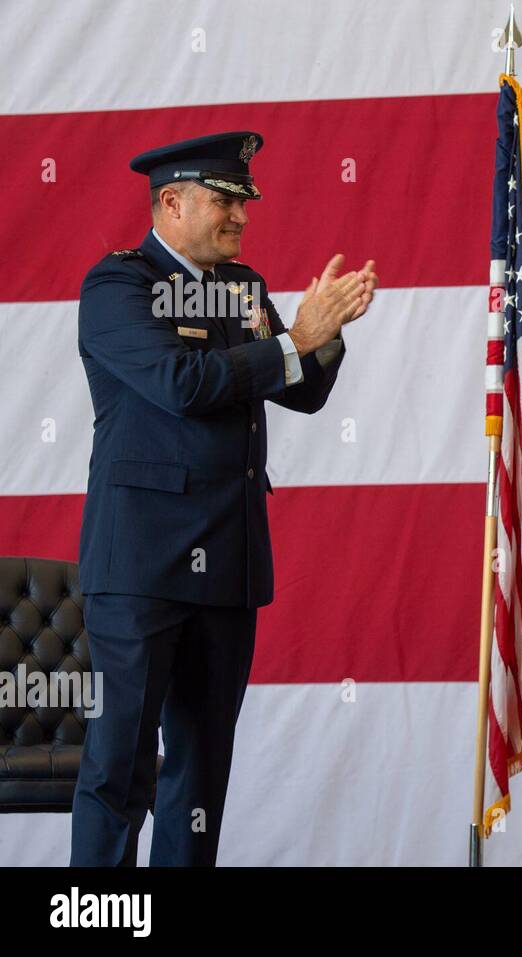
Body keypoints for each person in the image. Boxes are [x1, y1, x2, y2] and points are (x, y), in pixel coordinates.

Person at [70, 131, 378, 866]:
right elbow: (181, 386)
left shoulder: (241, 287)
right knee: (120, 769)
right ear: (171, 202)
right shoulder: (117, 286)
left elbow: (300, 391)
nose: (240, 215)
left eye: (244, 201)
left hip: (228, 563)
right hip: (142, 570)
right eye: (224, 200)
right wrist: (293, 338)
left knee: (201, 778)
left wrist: (323, 337)